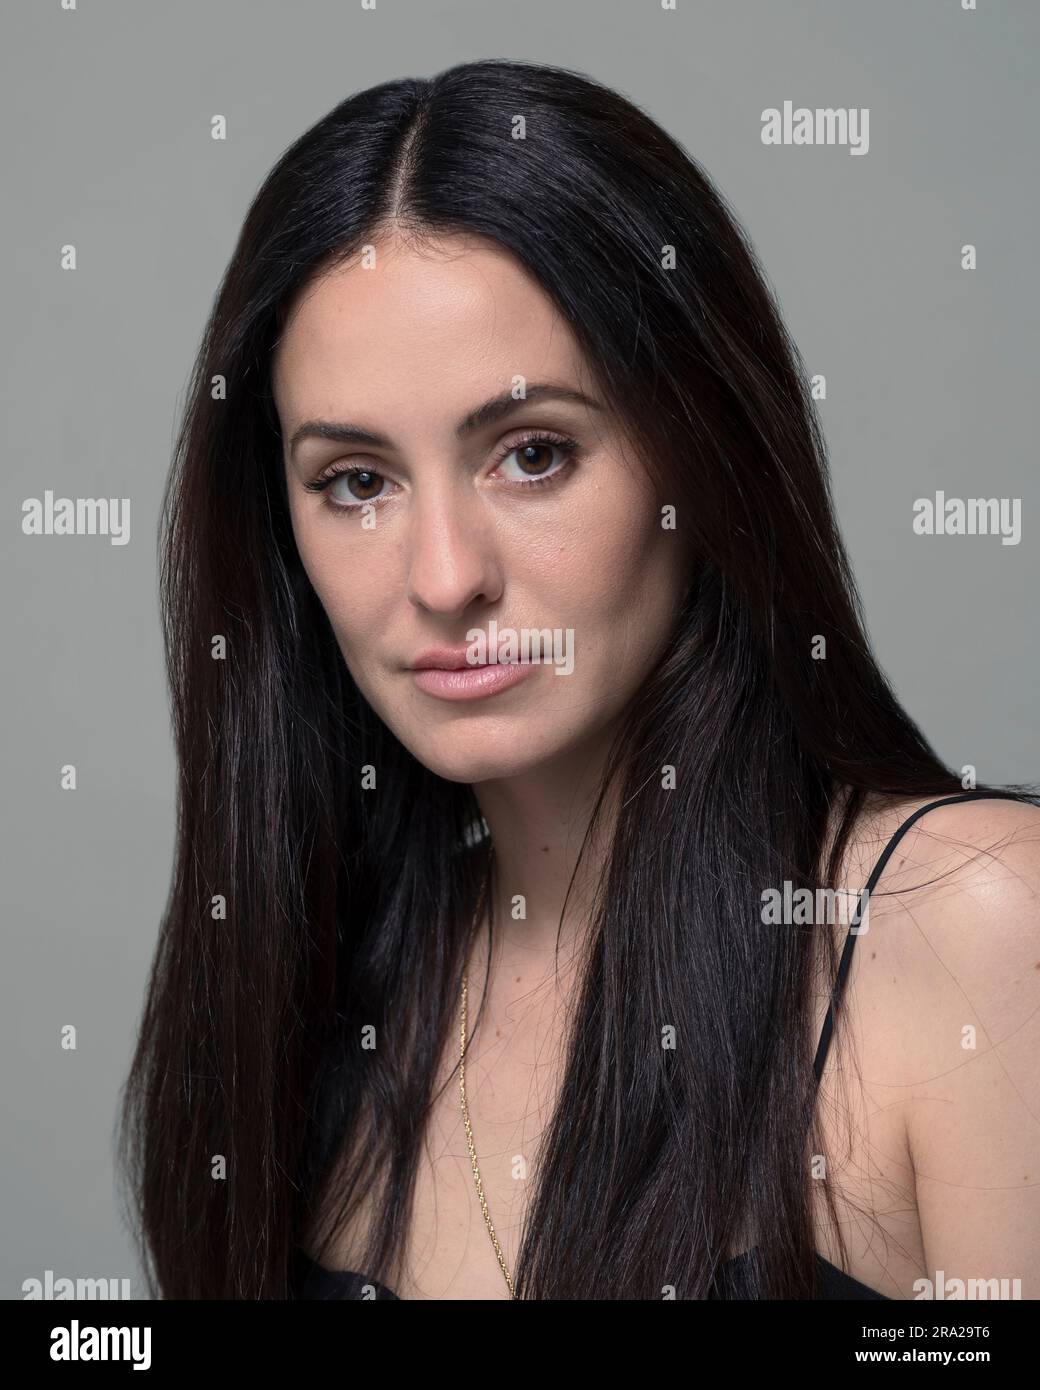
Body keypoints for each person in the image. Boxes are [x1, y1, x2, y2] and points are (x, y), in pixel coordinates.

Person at [117, 58, 1040, 1301]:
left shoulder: (974, 928)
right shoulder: (311, 1001)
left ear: (696, 452)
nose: (444, 578)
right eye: (356, 482)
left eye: (532, 453)